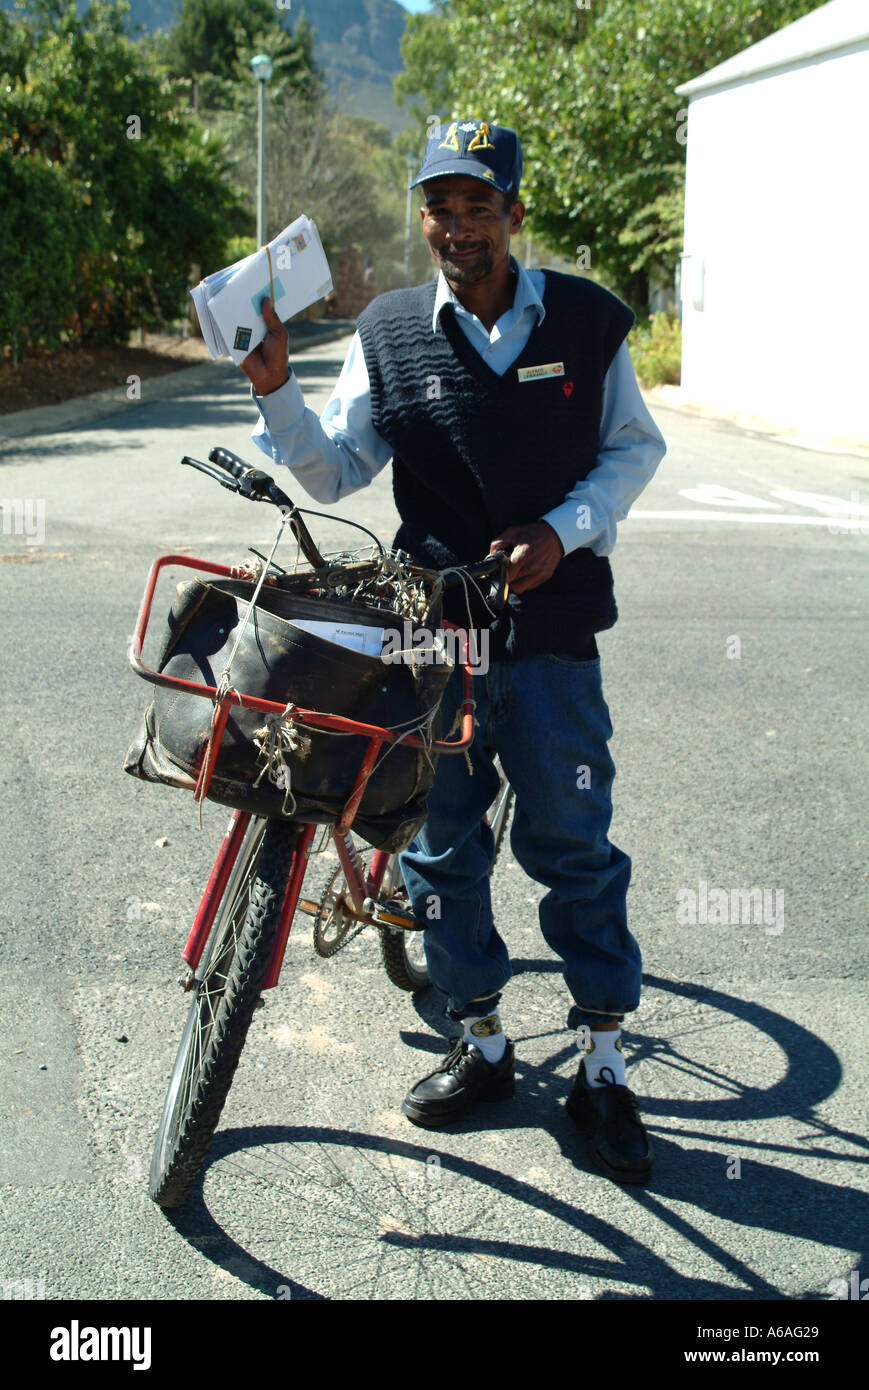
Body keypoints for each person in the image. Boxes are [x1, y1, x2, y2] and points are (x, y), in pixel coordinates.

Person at [239, 120, 666, 1185]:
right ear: (422, 217)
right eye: (440, 206)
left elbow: (632, 450)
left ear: (514, 214)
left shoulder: (585, 320)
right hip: (431, 633)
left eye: (480, 205)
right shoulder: (387, 332)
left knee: (571, 840)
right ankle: (478, 1042)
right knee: (439, 848)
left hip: (554, 630)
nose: (459, 226)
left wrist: (559, 531)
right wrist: (273, 387)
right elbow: (334, 472)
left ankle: (604, 1062)